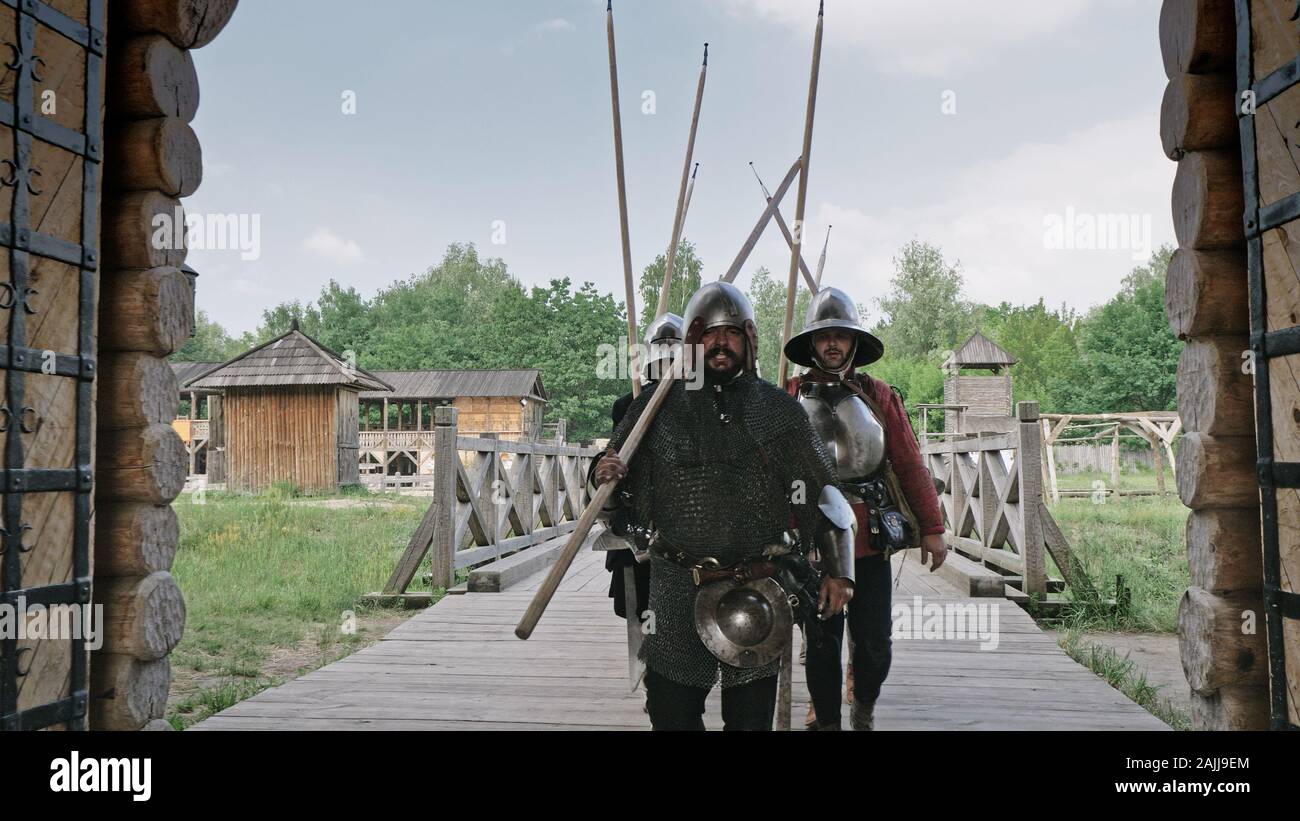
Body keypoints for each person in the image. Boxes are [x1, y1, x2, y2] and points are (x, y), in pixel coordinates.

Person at [593, 282, 853, 731]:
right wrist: (604, 474)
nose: (719, 343)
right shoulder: (655, 408)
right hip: (676, 584)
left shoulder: (778, 410)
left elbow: (824, 492)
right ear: (691, 342)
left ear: (749, 339)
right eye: (708, 334)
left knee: (750, 722)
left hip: (754, 588)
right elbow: (615, 498)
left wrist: (839, 570)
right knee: (671, 717)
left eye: (730, 333)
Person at [784, 286, 947, 731]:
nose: (832, 344)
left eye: (840, 335)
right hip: (812, 536)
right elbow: (766, 468)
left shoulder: (878, 395)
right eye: (823, 336)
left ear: (854, 341)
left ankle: (864, 705)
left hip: (868, 536)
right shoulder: (787, 396)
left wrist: (932, 526)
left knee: (874, 644)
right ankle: (828, 723)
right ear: (812, 343)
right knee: (821, 640)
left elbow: (909, 461)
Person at [600, 312, 683, 621]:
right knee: (642, 613)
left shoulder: (701, 404)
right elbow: (615, 458)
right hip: (640, 523)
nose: (668, 353)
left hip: (688, 524)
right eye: (662, 347)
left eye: (675, 346)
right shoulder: (628, 404)